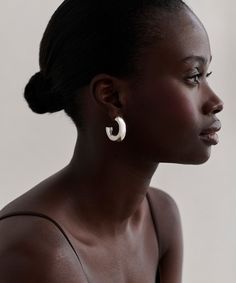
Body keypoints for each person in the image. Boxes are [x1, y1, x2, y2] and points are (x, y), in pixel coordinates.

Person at [0, 0, 224, 282]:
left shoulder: (161, 218)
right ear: (112, 96)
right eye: (193, 77)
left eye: (207, 75)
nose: (216, 102)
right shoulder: (34, 253)